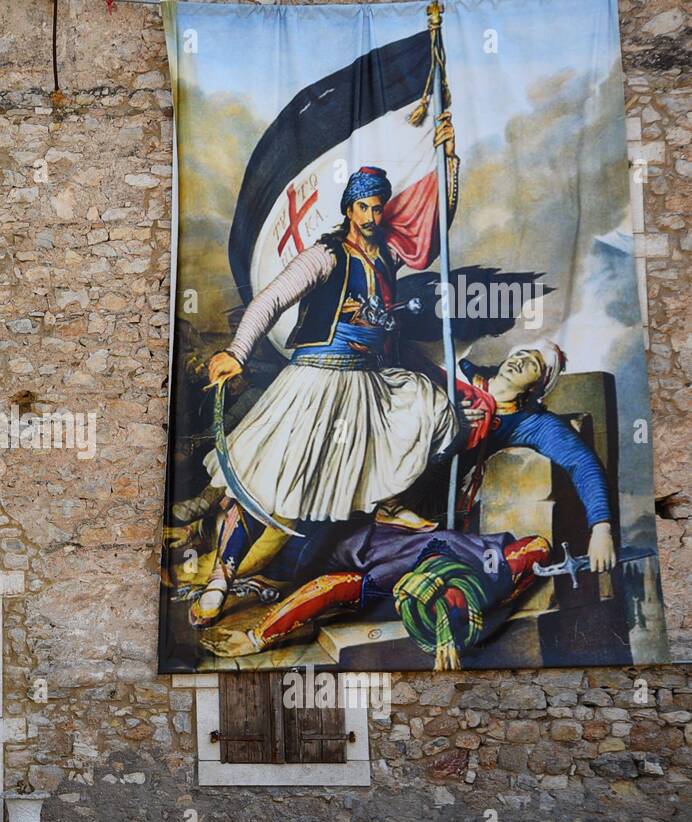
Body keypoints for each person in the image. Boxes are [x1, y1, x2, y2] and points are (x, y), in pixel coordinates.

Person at [191, 120, 460, 626]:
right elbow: (269, 300)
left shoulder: (386, 260)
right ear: (349, 209)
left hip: (364, 382)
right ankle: (220, 579)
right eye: (365, 206)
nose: (373, 215)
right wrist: (237, 353)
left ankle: (389, 501)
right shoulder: (325, 254)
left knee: (434, 412)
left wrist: (446, 162)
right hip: (313, 382)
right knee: (261, 485)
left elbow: (436, 227)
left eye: (379, 206)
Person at [453, 339, 617, 572]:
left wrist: (602, 527)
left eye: (533, 364)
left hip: (447, 506)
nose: (520, 362)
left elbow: (582, 464)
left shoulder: (531, 423)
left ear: (536, 386)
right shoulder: (457, 373)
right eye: (520, 354)